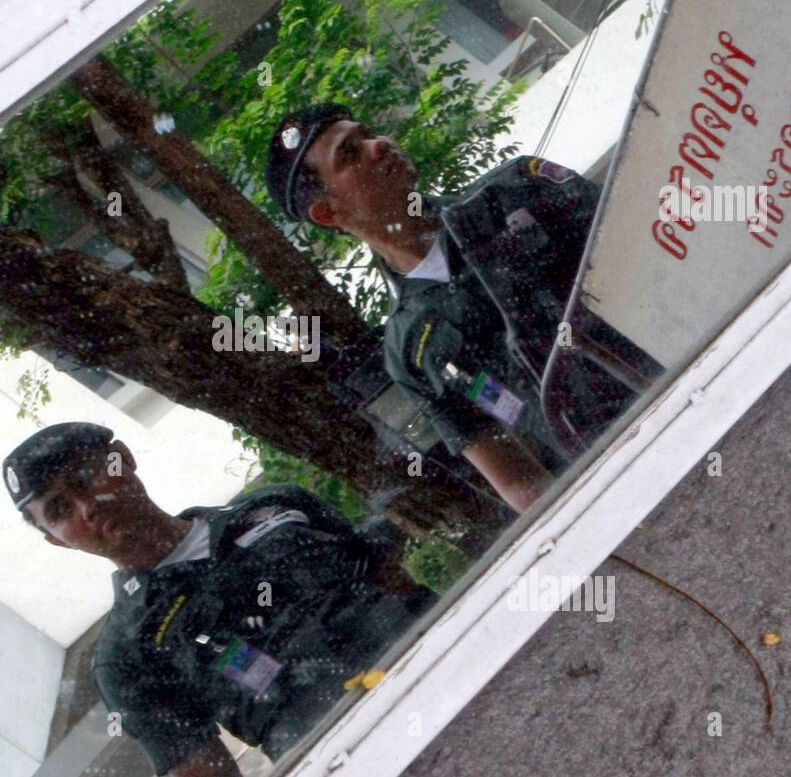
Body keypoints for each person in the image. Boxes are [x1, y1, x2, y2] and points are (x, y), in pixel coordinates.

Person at [2, 421, 437, 777]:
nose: (87, 507)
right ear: (56, 539)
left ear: (123, 458)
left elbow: (396, 584)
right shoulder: (126, 655)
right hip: (354, 764)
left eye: (88, 475)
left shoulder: (276, 506)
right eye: (59, 510)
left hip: (446, 655)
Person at [265, 102, 642, 513]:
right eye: (350, 154)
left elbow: (657, 246)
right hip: (618, 474)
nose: (378, 146)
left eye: (367, 134)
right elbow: (518, 479)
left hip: (694, 368)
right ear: (328, 211)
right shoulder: (409, 348)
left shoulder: (515, 193)